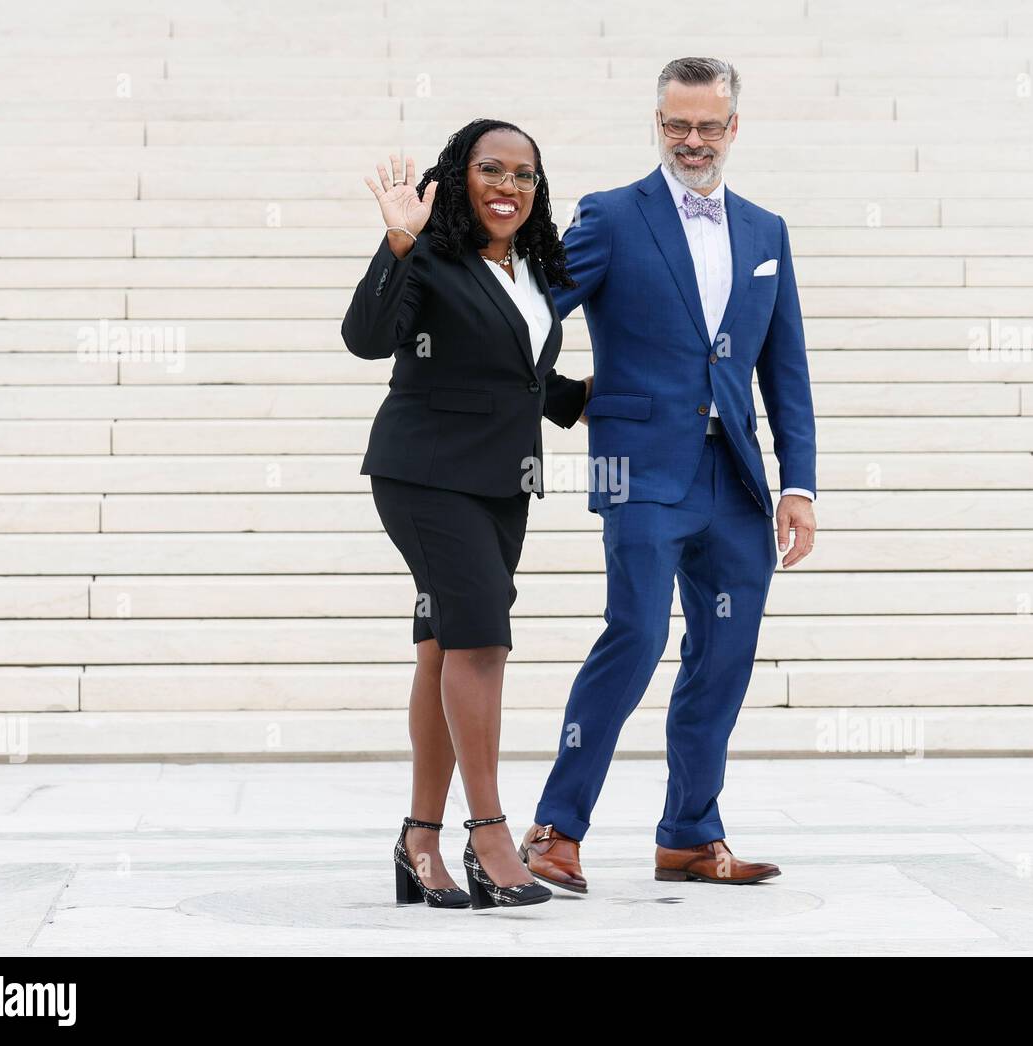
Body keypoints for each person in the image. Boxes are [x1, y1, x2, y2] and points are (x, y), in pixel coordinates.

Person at [520, 57, 818, 891]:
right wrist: (563, 400)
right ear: (657, 123)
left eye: (709, 126)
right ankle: (555, 830)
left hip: (736, 479)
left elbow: (784, 366)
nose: (693, 141)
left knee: (724, 654)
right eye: (677, 125)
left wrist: (800, 484)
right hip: (640, 468)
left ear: (733, 128)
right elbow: (529, 310)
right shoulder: (614, 215)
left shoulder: (766, 231)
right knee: (638, 633)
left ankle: (690, 834)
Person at [341, 119, 591, 909]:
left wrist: (609, 398)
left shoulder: (532, 273)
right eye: (491, 169)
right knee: (482, 639)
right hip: (424, 475)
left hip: (501, 482)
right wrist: (397, 241)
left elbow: (526, 381)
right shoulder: (432, 257)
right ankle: (487, 835)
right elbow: (365, 337)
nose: (508, 187)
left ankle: (420, 837)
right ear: (458, 177)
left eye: (524, 175)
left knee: (442, 644)